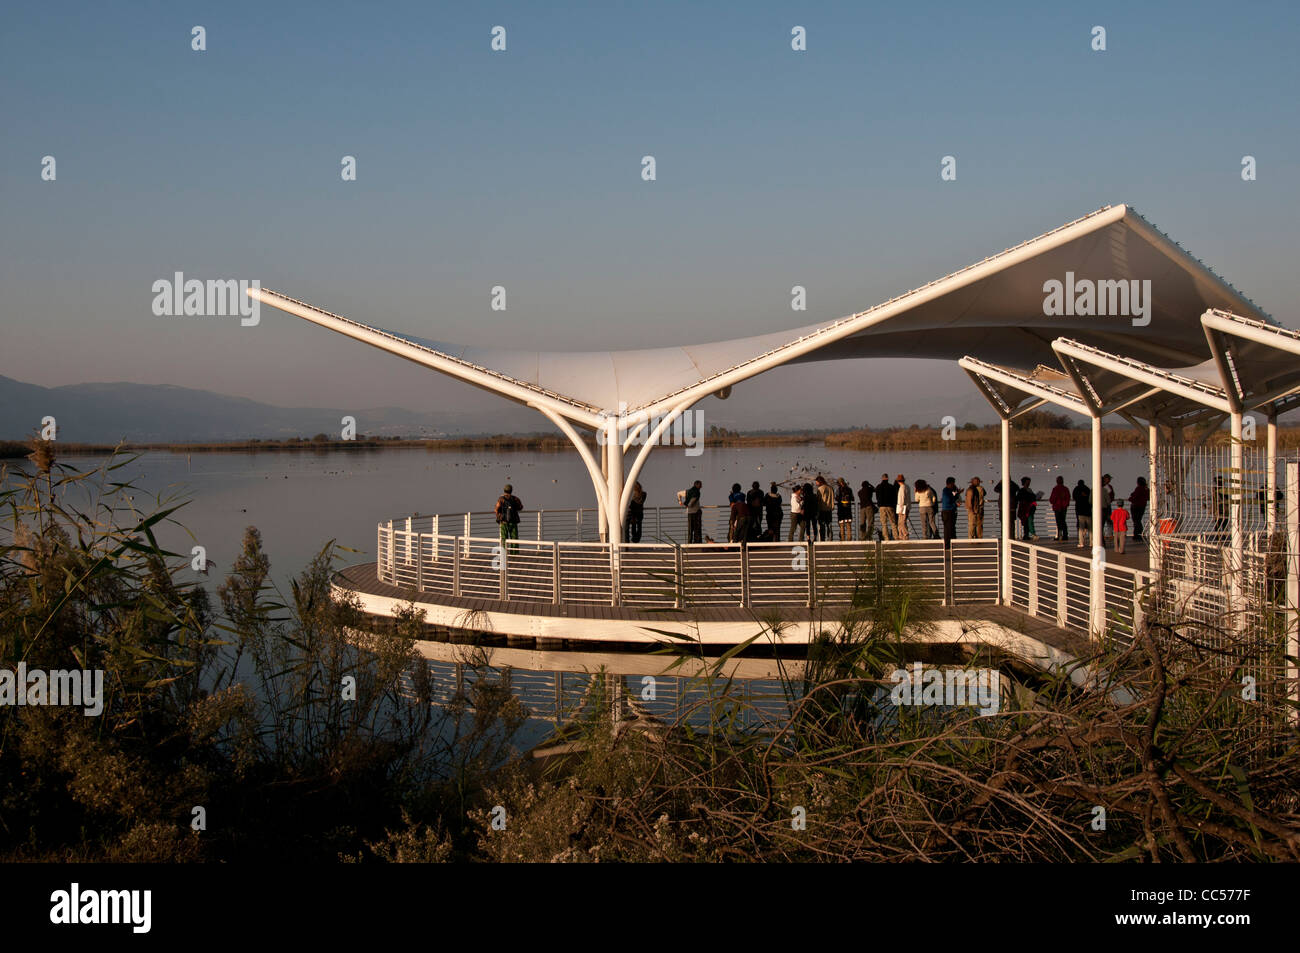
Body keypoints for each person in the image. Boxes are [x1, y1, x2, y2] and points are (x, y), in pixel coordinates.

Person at [495, 483, 523, 549]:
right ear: (511, 490)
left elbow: (496, 509)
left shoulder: (501, 499)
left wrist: (499, 516)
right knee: (514, 538)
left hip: (504, 522)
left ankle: (504, 554)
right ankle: (514, 554)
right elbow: (521, 507)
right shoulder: (515, 498)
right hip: (513, 521)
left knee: (504, 539)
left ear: (504, 490)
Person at [876, 474, 898, 540]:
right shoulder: (891, 486)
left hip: (882, 507)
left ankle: (886, 537)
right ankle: (896, 537)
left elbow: (877, 497)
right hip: (890, 506)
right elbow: (894, 497)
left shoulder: (878, 487)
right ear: (888, 478)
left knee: (884, 524)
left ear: (882, 478)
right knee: (893, 523)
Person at [1049, 476, 1070, 542]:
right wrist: (1065, 505)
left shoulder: (1055, 489)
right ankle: (1065, 535)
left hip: (1057, 508)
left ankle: (1059, 535)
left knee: (1058, 522)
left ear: (1057, 481)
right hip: (1063, 508)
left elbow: (1051, 500)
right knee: (1063, 521)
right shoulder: (1065, 489)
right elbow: (1068, 498)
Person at [940, 477, 960, 544]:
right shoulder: (946, 491)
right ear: (950, 483)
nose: (954, 484)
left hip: (949, 512)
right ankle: (948, 544)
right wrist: (955, 504)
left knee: (950, 528)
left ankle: (951, 543)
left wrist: (957, 492)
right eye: (953, 483)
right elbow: (948, 501)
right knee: (948, 529)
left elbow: (954, 496)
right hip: (948, 512)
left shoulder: (948, 490)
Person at [1129, 477, 1149, 542]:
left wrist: (1130, 498)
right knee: (1138, 520)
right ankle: (1139, 534)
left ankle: (1137, 535)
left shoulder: (1139, 488)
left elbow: (1134, 497)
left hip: (1136, 506)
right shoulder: (1146, 489)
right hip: (1142, 506)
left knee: (1136, 521)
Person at [1072, 479, 1091, 548]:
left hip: (1079, 510)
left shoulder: (1076, 489)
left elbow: (1074, 497)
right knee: (1090, 527)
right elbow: (1090, 498)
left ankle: (1081, 542)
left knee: (1080, 527)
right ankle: (1091, 542)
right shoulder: (1087, 489)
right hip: (1088, 510)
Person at [815, 475, 834, 541]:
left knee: (822, 525)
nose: (816, 483)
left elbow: (818, 499)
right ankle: (830, 537)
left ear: (819, 482)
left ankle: (822, 539)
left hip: (822, 509)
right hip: (829, 509)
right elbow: (832, 498)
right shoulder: (830, 488)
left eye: (816, 482)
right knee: (829, 525)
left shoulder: (820, 489)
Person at [894, 474, 910, 540]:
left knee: (901, 522)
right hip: (906, 506)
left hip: (902, 508)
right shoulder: (907, 486)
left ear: (898, 481)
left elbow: (902, 498)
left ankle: (904, 535)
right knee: (902, 522)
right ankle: (901, 535)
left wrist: (901, 508)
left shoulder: (902, 488)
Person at [1100, 474, 1115, 544]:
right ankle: (1105, 534)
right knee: (1105, 521)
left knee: (1108, 520)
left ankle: (1109, 534)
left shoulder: (1106, 486)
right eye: (1108, 479)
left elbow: (1112, 496)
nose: (1109, 480)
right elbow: (1112, 496)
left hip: (1105, 506)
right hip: (1105, 506)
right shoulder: (1102, 486)